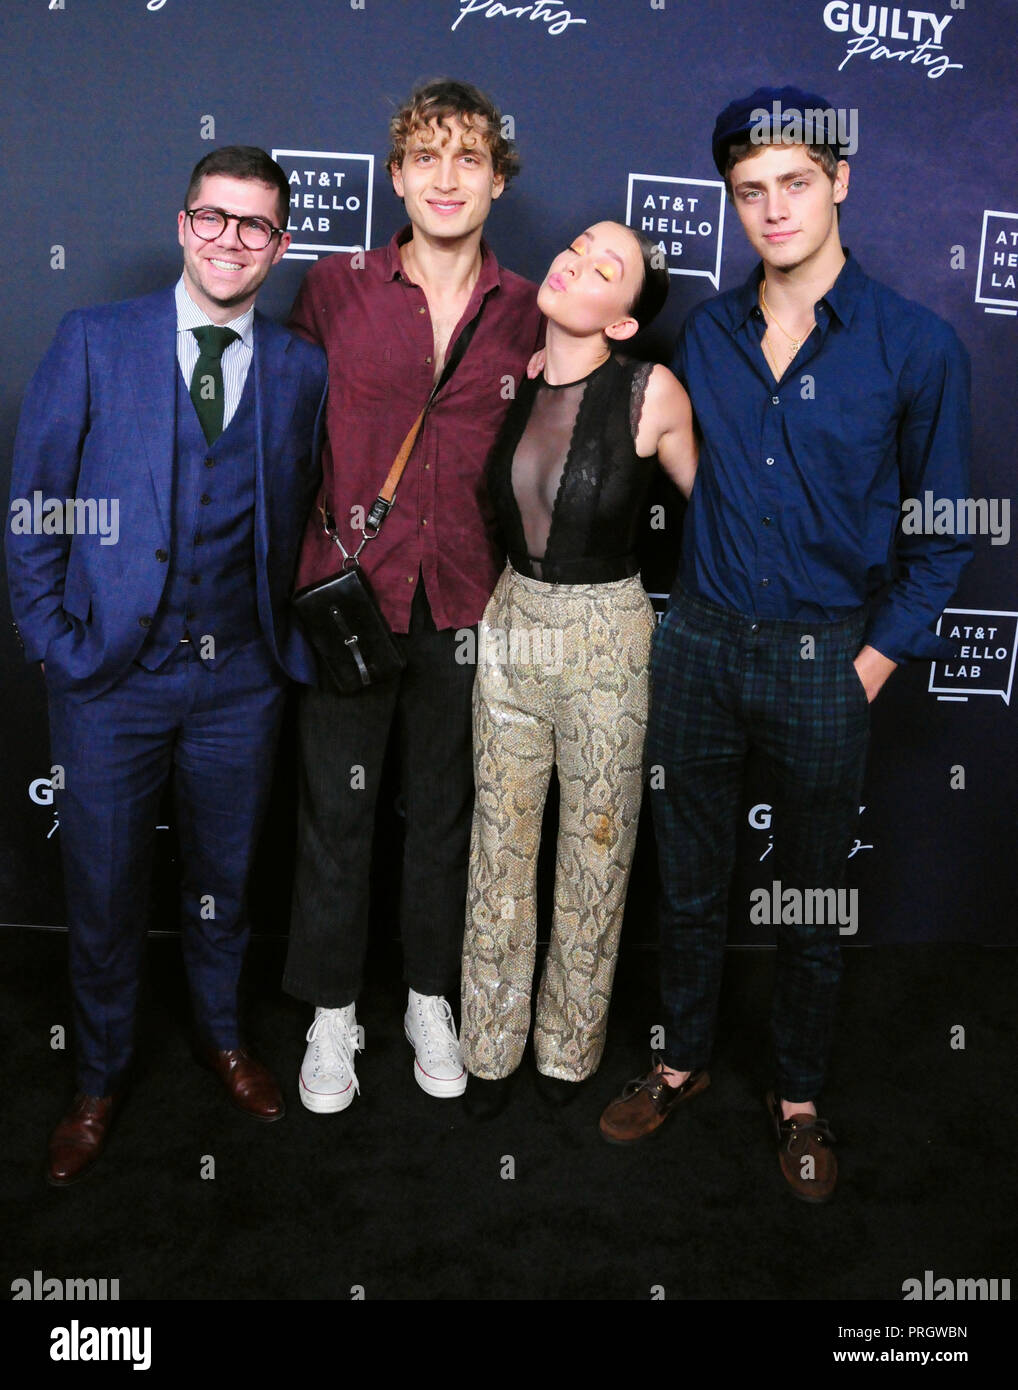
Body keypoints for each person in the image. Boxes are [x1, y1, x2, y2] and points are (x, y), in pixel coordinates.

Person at [598, 86, 972, 1202]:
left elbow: (942, 533)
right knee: (691, 884)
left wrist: (872, 659)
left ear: (840, 181)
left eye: (793, 185)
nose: (771, 210)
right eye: (749, 192)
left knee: (812, 898)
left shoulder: (916, 346)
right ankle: (679, 1060)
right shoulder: (707, 331)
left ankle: (799, 1094)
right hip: (701, 647)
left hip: (827, 657)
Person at [6, 146, 328, 1185]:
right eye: (214, 218)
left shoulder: (299, 368)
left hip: (241, 678)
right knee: (103, 887)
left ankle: (224, 1036)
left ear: (281, 246)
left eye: (256, 227)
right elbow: (37, 507)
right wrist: (57, 643)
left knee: (224, 881)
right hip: (113, 678)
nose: (231, 240)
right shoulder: (94, 340)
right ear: (183, 222)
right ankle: (97, 1078)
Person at [283, 79, 543, 1113]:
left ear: (495, 179)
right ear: (395, 176)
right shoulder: (333, 289)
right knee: (334, 818)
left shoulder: (527, 306)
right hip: (352, 600)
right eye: (425, 157)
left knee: (443, 814)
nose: (445, 178)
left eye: (467, 158)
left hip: (470, 605)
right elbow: (289, 437)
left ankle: (427, 996)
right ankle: (331, 1012)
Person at [460, 222, 697, 1117]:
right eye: (582, 246)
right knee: (499, 844)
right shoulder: (516, 381)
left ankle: (568, 1048)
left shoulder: (651, 391)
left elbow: (717, 514)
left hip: (606, 633)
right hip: (513, 623)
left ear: (625, 321)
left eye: (609, 269)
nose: (577, 261)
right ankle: (486, 1041)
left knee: (596, 854)